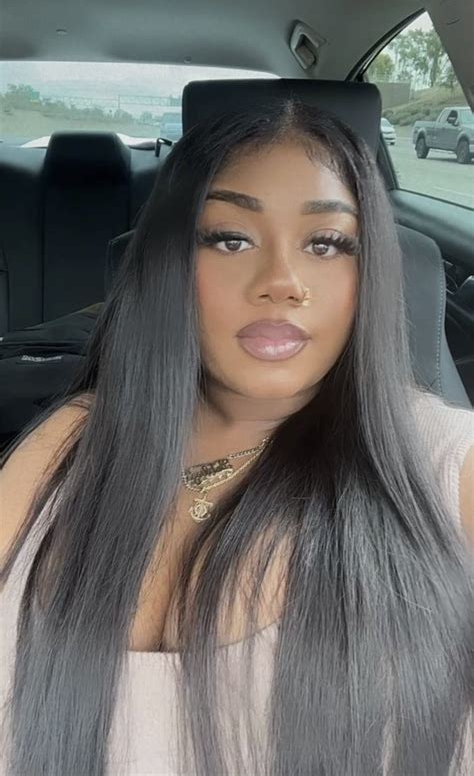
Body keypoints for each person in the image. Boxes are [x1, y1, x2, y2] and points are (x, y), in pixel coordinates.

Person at [0, 100, 472, 776]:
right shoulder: (69, 445)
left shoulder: (445, 463)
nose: (281, 282)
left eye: (325, 243)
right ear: (168, 263)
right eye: (230, 239)